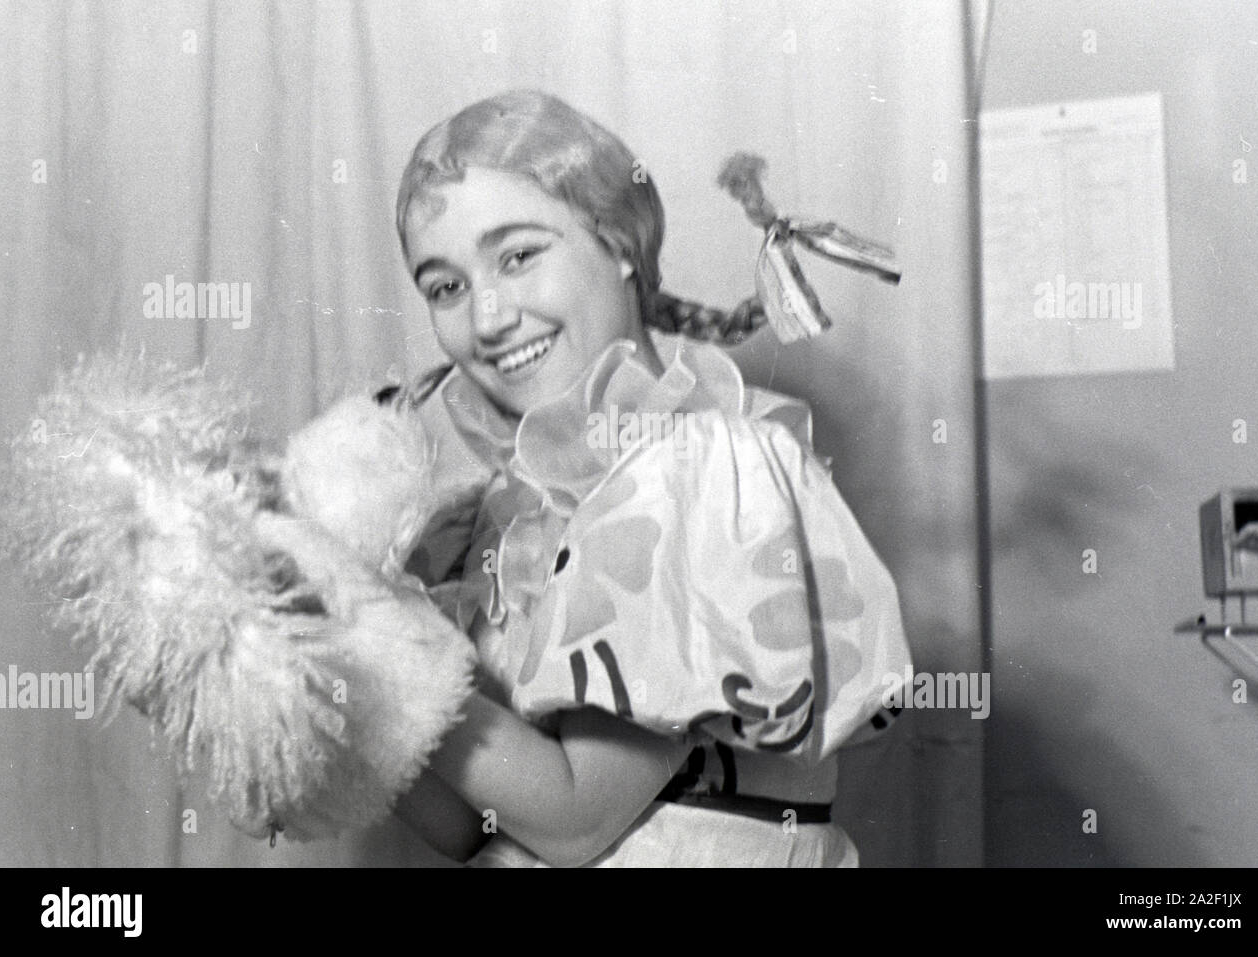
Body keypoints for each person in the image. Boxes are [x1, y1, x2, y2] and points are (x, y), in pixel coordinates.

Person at [387, 89, 911, 867]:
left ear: (619, 242)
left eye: (519, 254)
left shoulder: (704, 473)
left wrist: (386, 637)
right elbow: (475, 827)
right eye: (447, 286)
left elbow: (573, 820)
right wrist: (326, 660)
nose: (488, 316)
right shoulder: (509, 519)